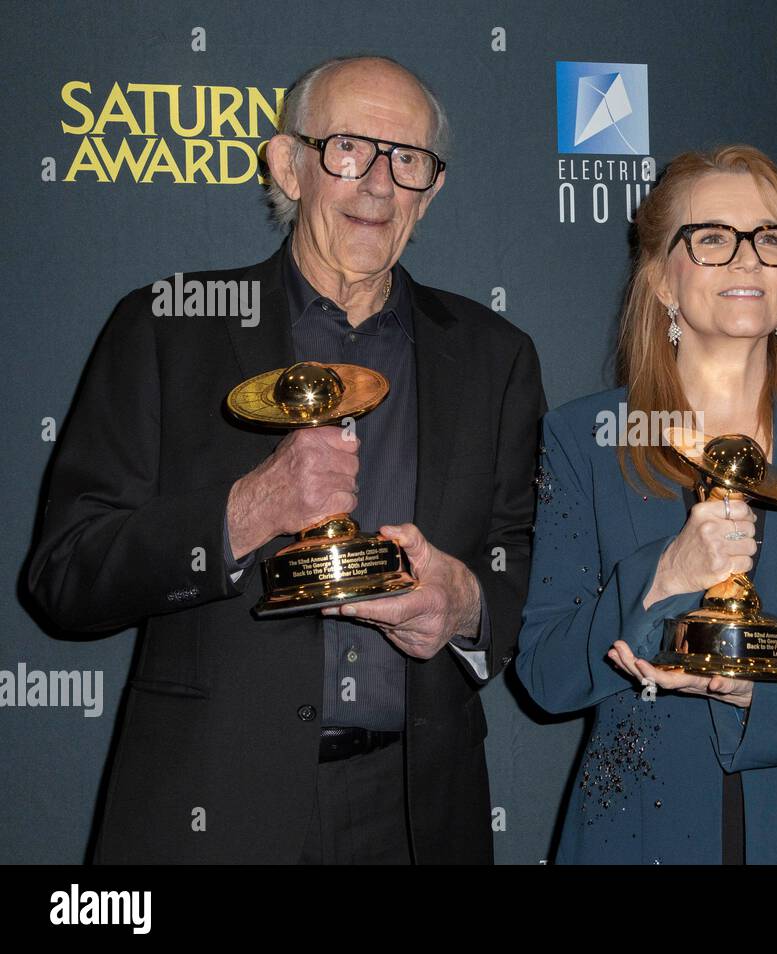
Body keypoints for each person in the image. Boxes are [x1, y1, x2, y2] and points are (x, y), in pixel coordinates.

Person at [27, 55, 545, 864]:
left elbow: (528, 567)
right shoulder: (169, 327)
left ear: (432, 190)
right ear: (288, 164)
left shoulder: (495, 356)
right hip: (209, 808)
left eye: (407, 160)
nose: (379, 183)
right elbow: (65, 576)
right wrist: (245, 513)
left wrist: (468, 602)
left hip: (415, 819)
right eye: (348, 147)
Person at [515, 145, 777, 864]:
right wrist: (662, 575)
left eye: (770, 239)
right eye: (713, 238)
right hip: (638, 829)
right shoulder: (586, 438)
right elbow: (547, 677)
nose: (748, 259)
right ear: (660, 280)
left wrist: (760, 697)